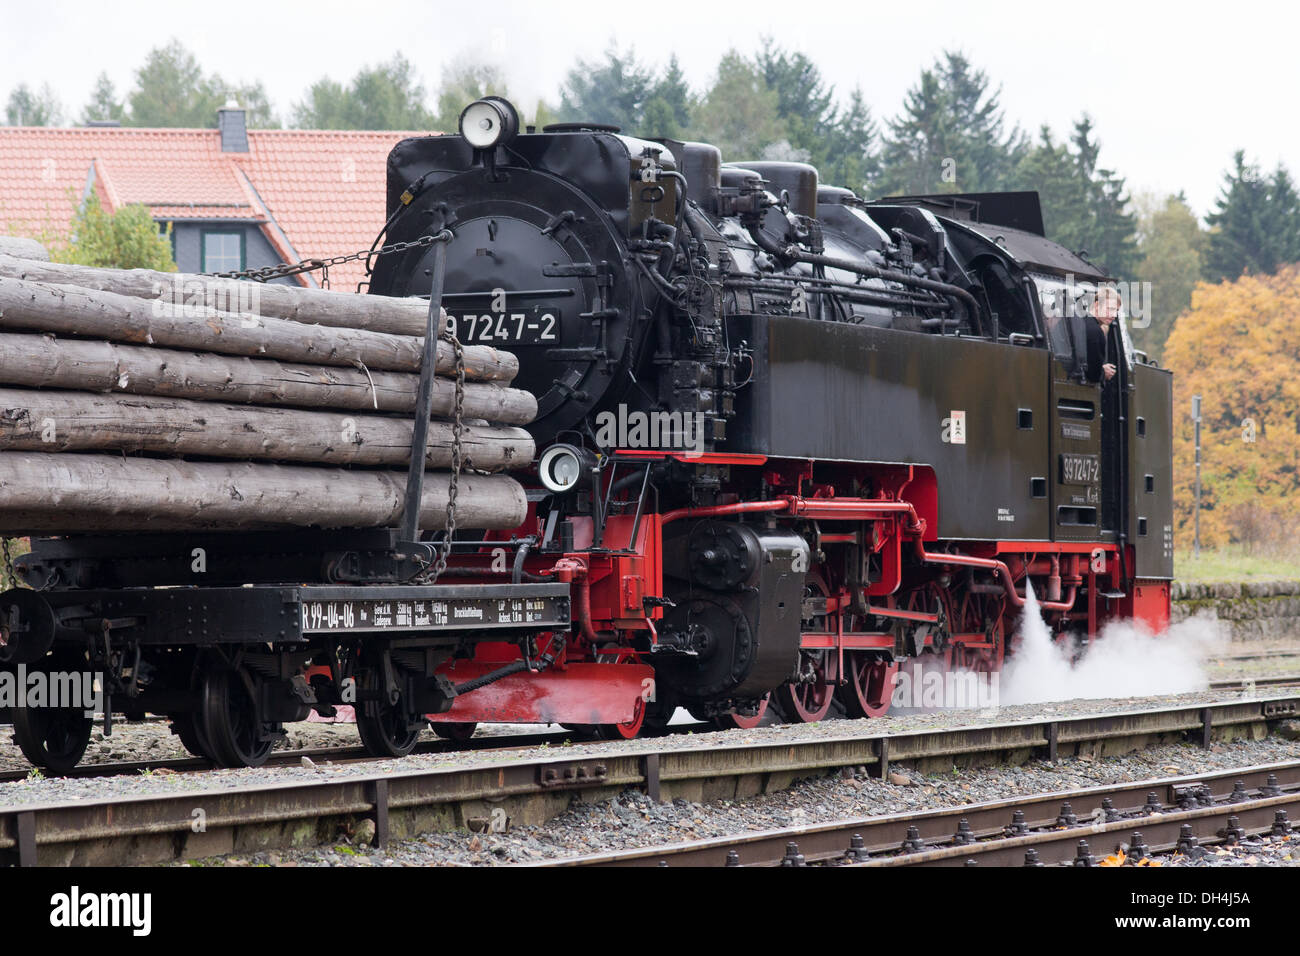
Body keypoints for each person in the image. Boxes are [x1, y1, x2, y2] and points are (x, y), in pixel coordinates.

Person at [1084, 285, 1123, 385]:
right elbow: (1094, 374)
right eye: (1110, 309)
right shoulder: (1096, 332)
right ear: (1097, 305)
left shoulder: (1082, 322)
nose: (1114, 315)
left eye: (1116, 311)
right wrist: (1103, 372)